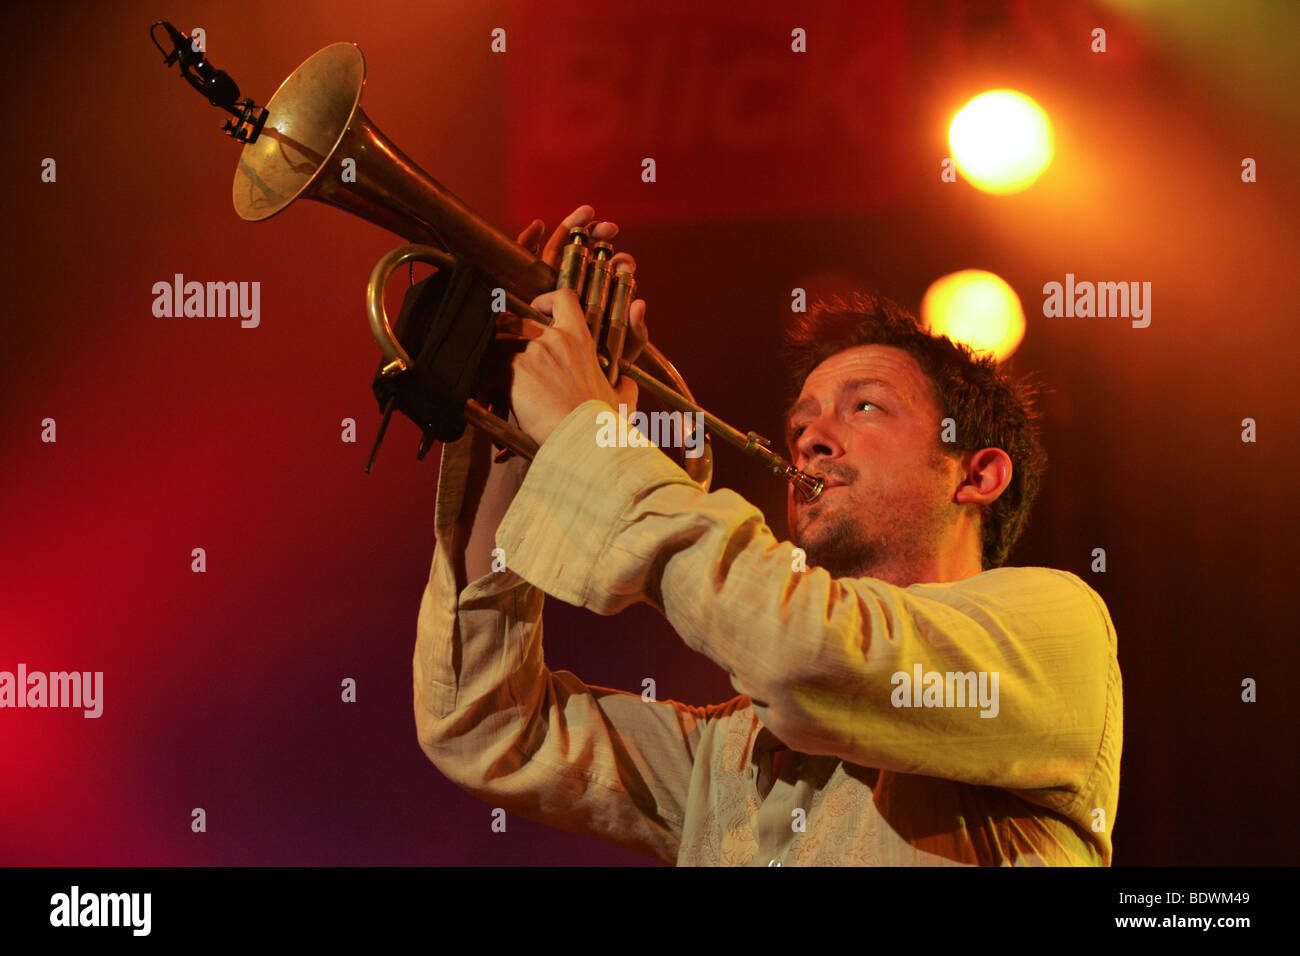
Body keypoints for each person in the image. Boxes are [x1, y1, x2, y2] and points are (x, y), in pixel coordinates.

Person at [413, 205, 1122, 866]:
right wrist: (523, 436)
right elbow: (485, 728)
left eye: (865, 407)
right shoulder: (729, 748)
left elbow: (806, 651)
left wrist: (589, 437)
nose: (811, 437)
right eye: (801, 424)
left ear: (978, 474)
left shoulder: (1058, 628)